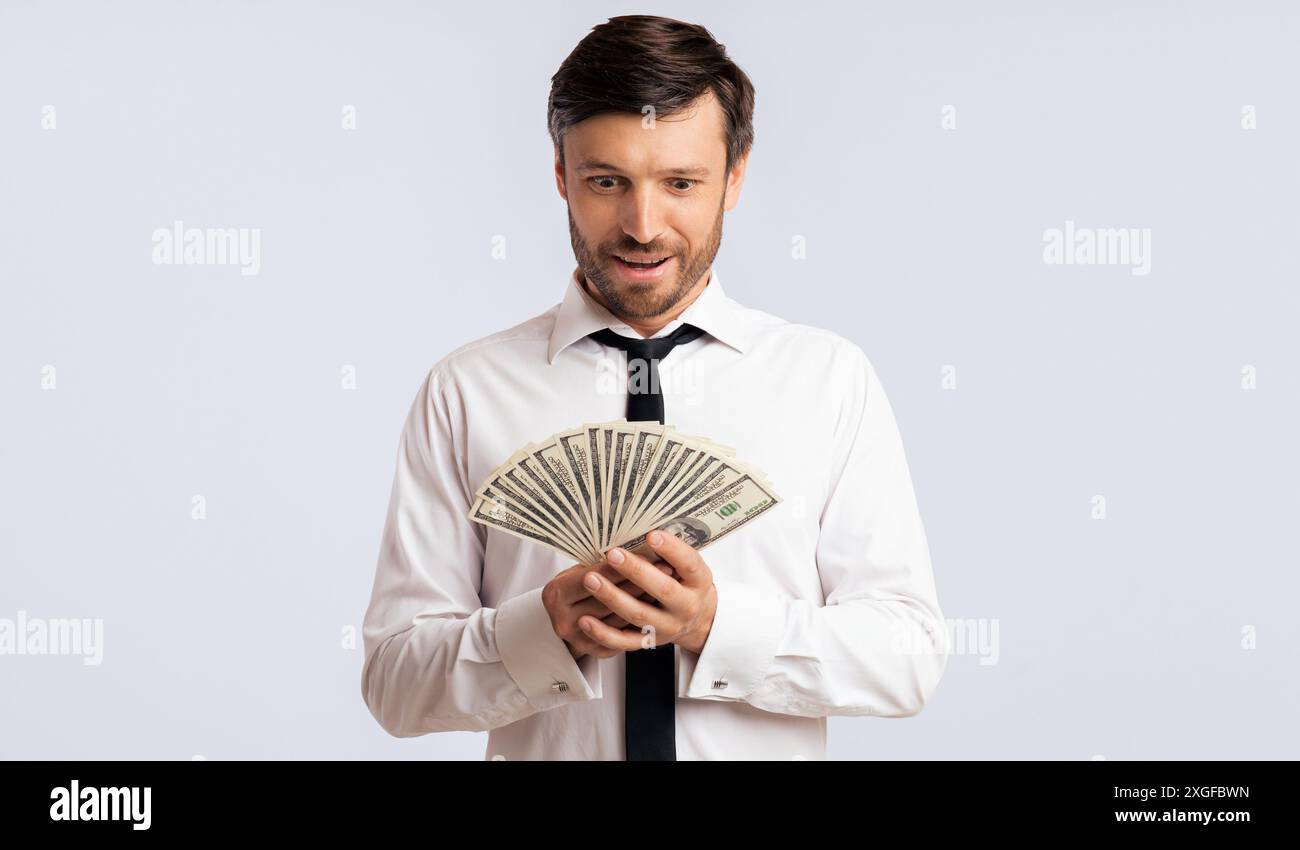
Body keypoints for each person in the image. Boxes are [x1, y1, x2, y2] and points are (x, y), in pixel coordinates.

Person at [360, 14, 947, 760]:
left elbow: (908, 654)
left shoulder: (828, 381)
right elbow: (394, 685)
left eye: (680, 183)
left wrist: (714, 625)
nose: (642, 225)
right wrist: (542, 632)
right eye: (607, 182)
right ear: (560, 176)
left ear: (734, 177)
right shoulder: (467, 391)